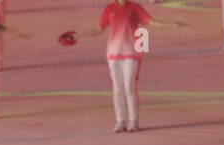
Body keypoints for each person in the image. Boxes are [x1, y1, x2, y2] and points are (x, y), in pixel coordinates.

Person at [71, 0, 186, 133]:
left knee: (129, 87)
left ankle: (134, 121)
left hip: (131, 52)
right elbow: (99, 29)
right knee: (117, 89)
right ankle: (120, 121)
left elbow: (151, 21)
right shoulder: (109, 9)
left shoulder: (135, 8)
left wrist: (172, 24)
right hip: (113, 54)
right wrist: (78, 36)